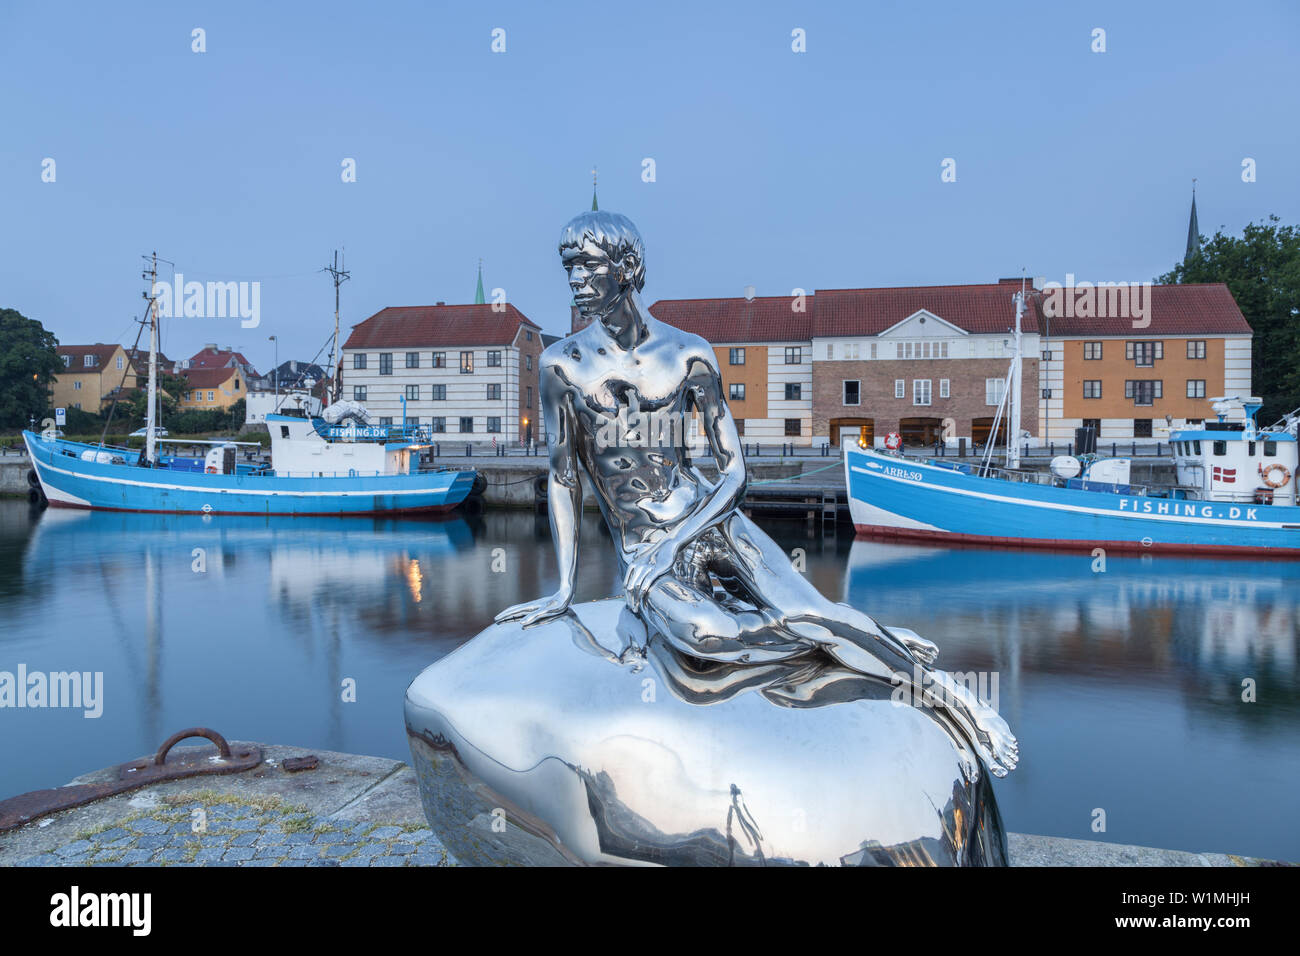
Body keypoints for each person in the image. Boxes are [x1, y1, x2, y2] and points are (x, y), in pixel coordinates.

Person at [496, 211, 1017, 776]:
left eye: (587, 265)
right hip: (644, 546)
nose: (574, 279)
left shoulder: (688, 353)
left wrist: (680, 543)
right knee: (710, 636)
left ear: (625, 267)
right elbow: (564, 477)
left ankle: (952, 699)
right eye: (568, 267)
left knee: (805, 608)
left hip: (708, 518)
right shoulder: (561, 364)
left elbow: (734, 473)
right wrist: (564, 589)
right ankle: (852, 637)